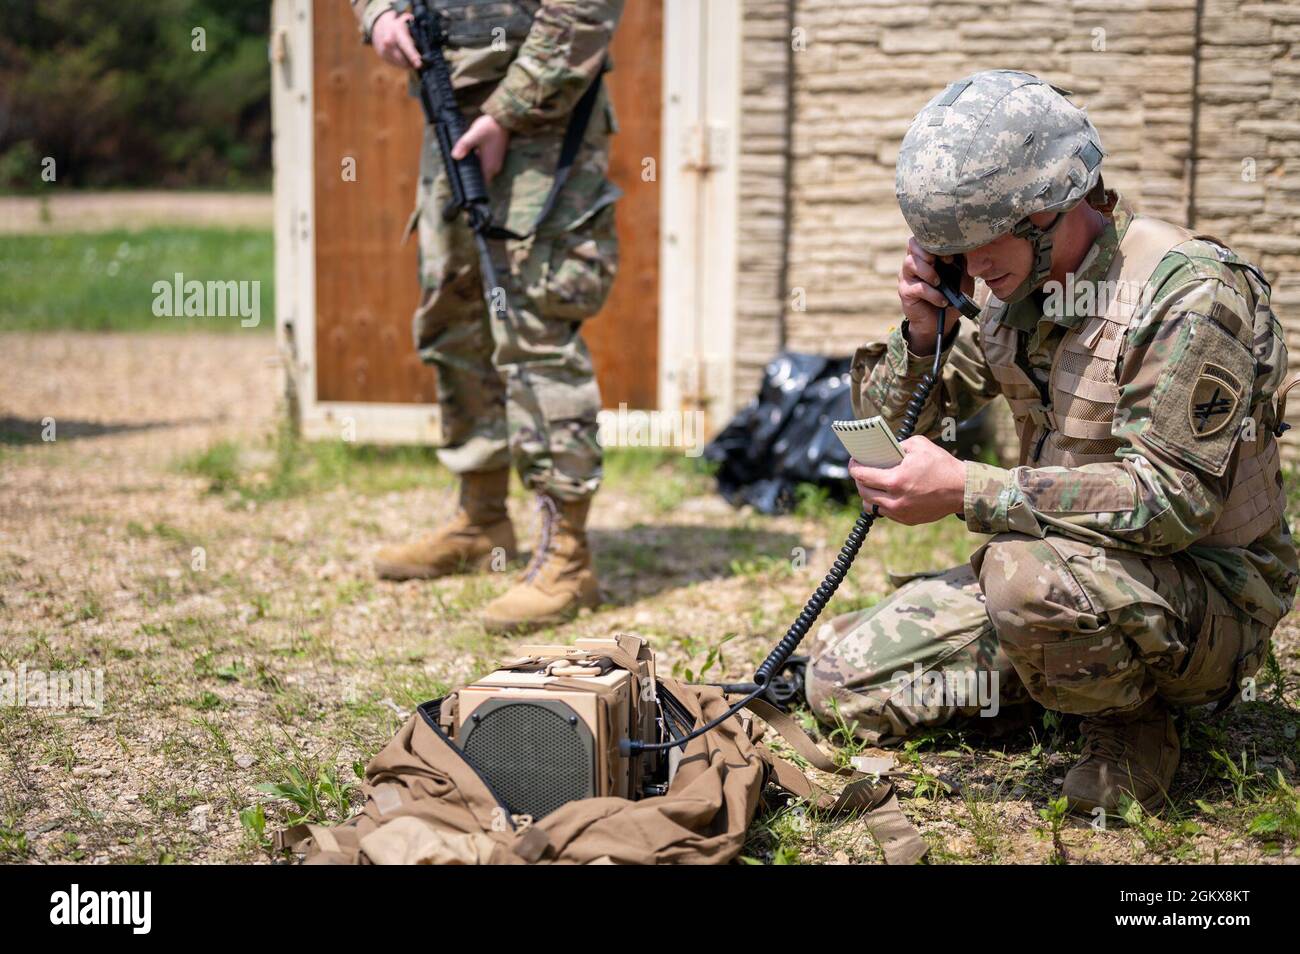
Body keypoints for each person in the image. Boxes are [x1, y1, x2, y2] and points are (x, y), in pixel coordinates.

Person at [806, 69, 1298, 816]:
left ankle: (1131, 723)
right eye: (949, 249)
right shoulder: (1015, 298)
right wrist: (920, 335)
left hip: (1206, 591)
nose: (969, 267)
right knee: (839, 684)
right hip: (1066, 572)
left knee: (1019, 579)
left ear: (1050, 206)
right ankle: (1060, 674)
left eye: (979, 241)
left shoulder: (1188, 295)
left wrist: (970, 489)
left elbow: (1174, 503)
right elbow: (899, 423)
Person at [351, 0, 624, 632]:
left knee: (534, 320)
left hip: (547, 120)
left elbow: (584, 11)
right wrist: (378, 16)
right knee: (454, 311)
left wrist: (507, 113)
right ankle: (481, 517)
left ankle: (568, 556)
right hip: (446, 109)